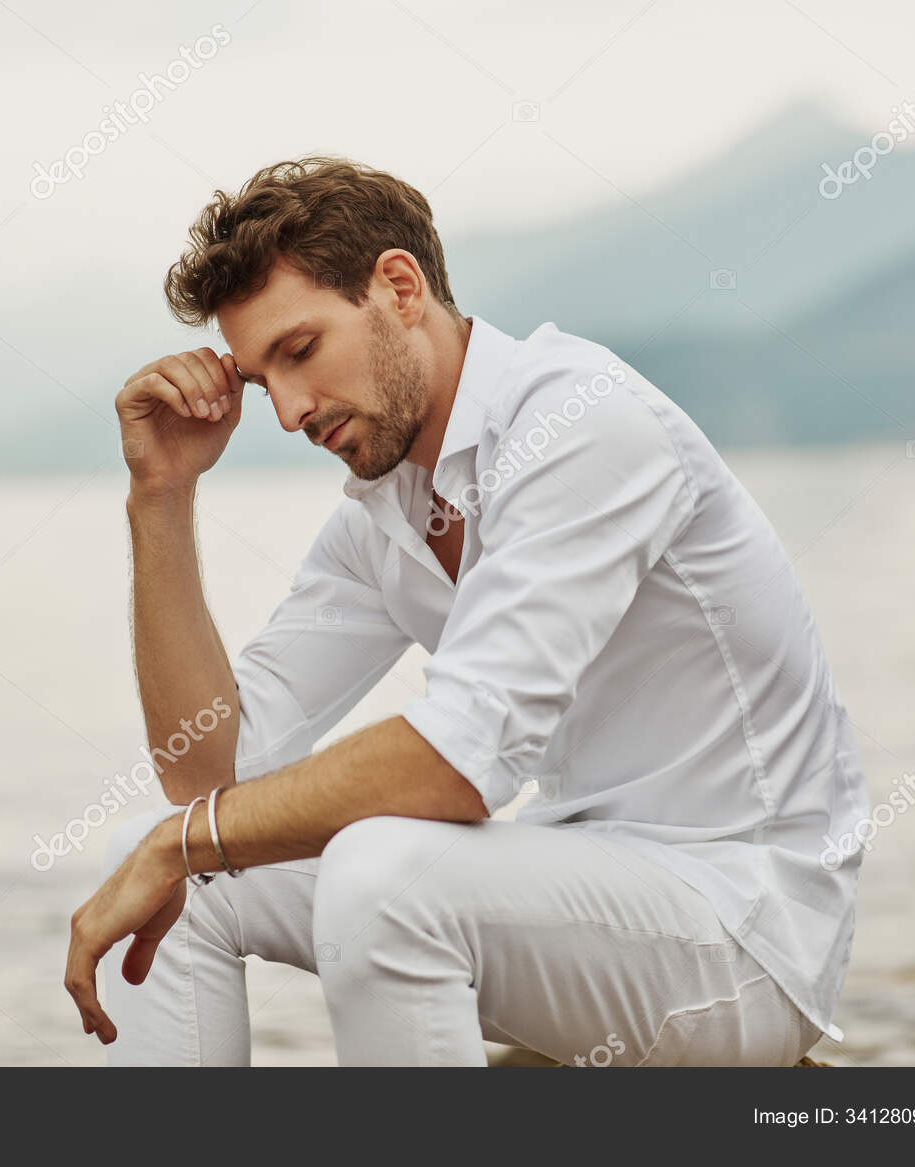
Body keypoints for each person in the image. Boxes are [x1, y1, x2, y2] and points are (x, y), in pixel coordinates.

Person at [63, 155, 870, 1066]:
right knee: (161, 864)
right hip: (583, 907)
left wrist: (191, 836)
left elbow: (457, 762)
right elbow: (206, 771)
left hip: (743, 929)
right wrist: (161, 497)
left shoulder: (581, 423)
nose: (288, 413)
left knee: (380, 874)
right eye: (259, 381)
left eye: (300, 351)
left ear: (399, 287)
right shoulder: (384, 511)